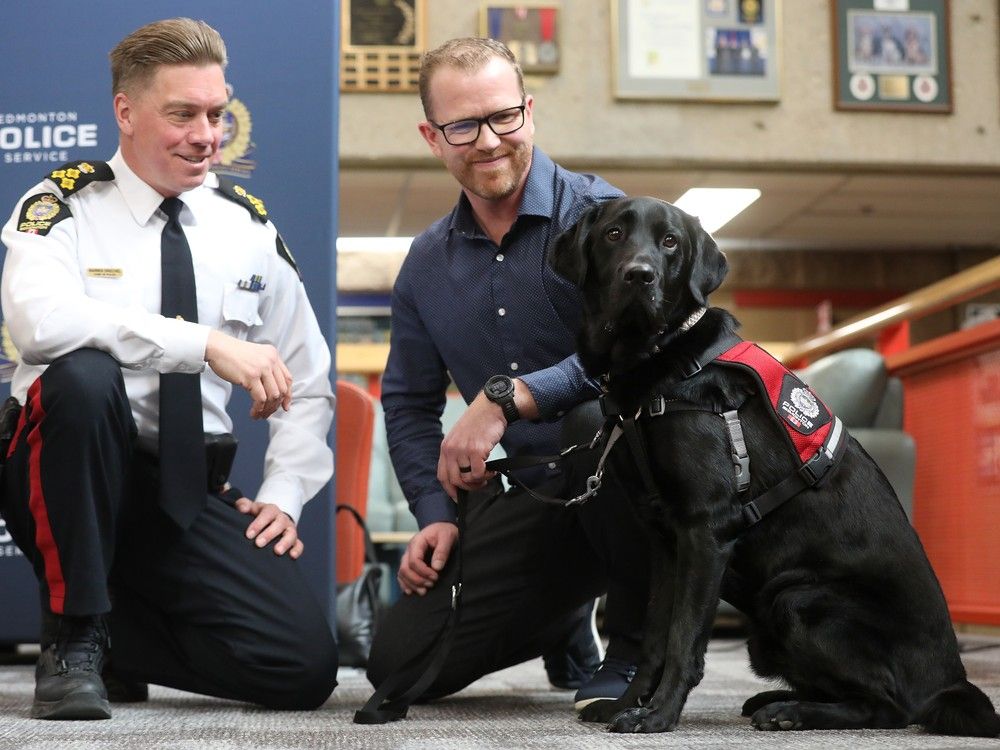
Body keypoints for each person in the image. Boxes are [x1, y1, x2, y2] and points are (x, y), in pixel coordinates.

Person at [0, 18, 338, 720]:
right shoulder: (63, 207)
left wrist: (282, 494)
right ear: (126, 112)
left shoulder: (247, 227)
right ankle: (74, 638)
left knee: (302, 668)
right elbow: (40, 324)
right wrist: (204, 343)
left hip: (184, 488)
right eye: (183, 114)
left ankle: (115, 640)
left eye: (216, 114)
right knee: (83, 378)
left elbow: (307, 380)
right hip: (67, 476)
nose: (206, 135)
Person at [366, 37, 649, 713]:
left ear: (529, 110)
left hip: (633, 482)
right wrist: (434, 514)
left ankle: (637, 647)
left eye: (503, 117)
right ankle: (562, 615)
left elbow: (641, 350)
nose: (490, 141)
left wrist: (511, 399)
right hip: (528, 490)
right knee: (397, 665)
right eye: (464, 126)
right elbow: (406, 403)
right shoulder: (426, 264)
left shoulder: (606, 219)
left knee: (590, 423)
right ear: (432, 137)